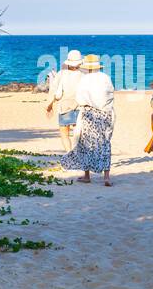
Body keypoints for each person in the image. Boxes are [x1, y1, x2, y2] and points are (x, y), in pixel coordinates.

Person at [60, 53, 114, 186]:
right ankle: (106, 177)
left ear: (87, 67)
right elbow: (111, 93)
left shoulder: (85, 79)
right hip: (105, 113)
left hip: (89, 114)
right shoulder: (105, 77)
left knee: (85, 144)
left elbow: (80, 98)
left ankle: (86, 175)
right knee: (105, 143)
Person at [44, 49, 83, 151]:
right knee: (77, 135)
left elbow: (53, 91)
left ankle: (69, 154)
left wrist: (49, 106)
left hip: (64, 108)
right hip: (80, 108)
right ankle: (78, 155)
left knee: (65, 135)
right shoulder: (83, 75)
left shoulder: (61, 74)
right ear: (79, 62)